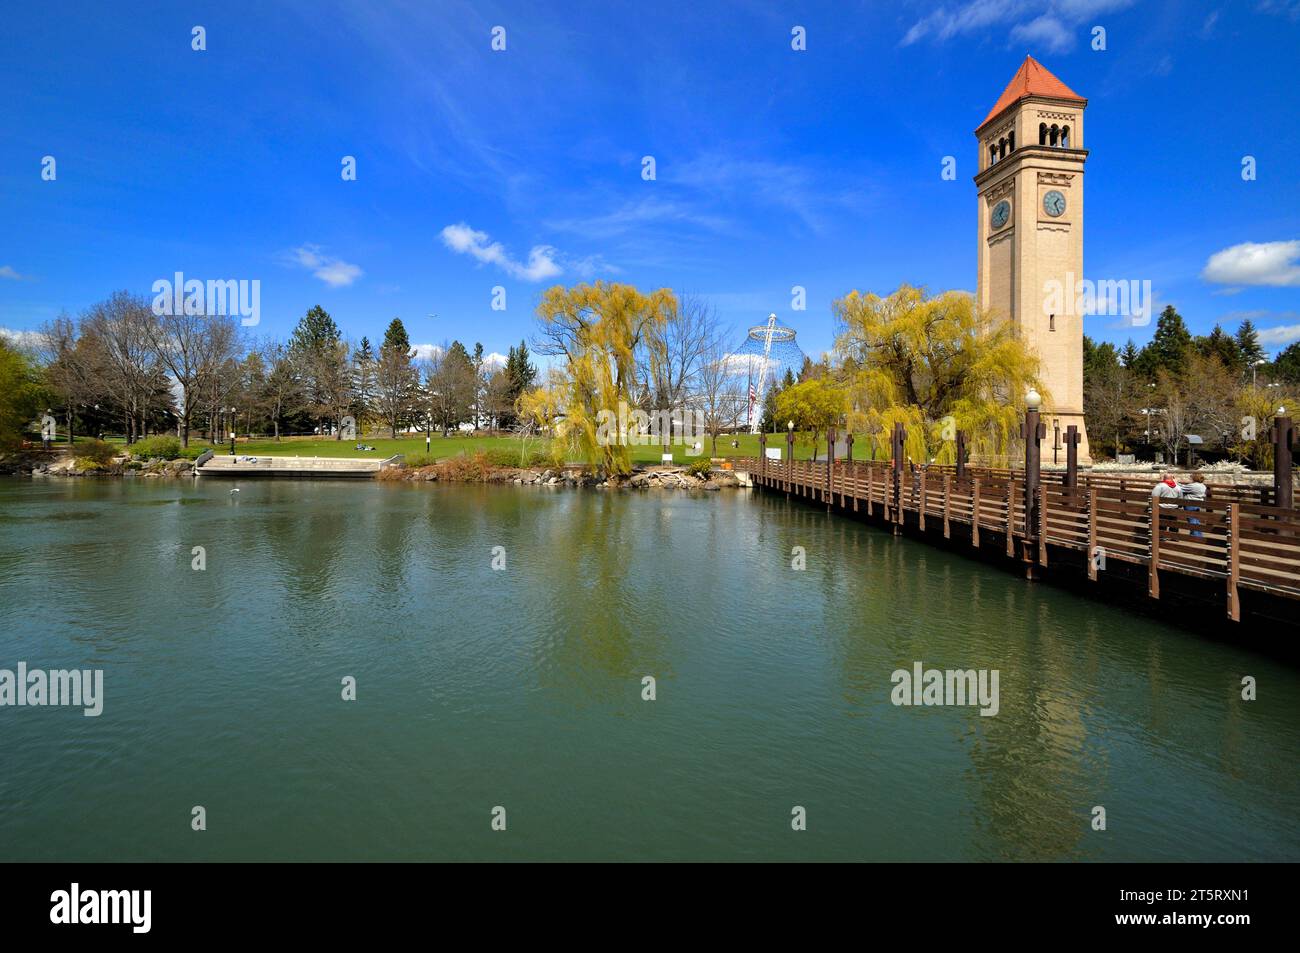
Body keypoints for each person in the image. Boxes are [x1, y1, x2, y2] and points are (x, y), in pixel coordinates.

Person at [1180, 471, 1207, 538]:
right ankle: (1198, 535)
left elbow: (1181, 489)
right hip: (1198, 503)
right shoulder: (1203, 485)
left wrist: (1175, 483)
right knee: (1196, 520)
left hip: (1190, 503)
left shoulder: (1193, 485)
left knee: (1191, 520)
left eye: (1191, 477)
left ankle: (1195, 536)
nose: (1191, 478)